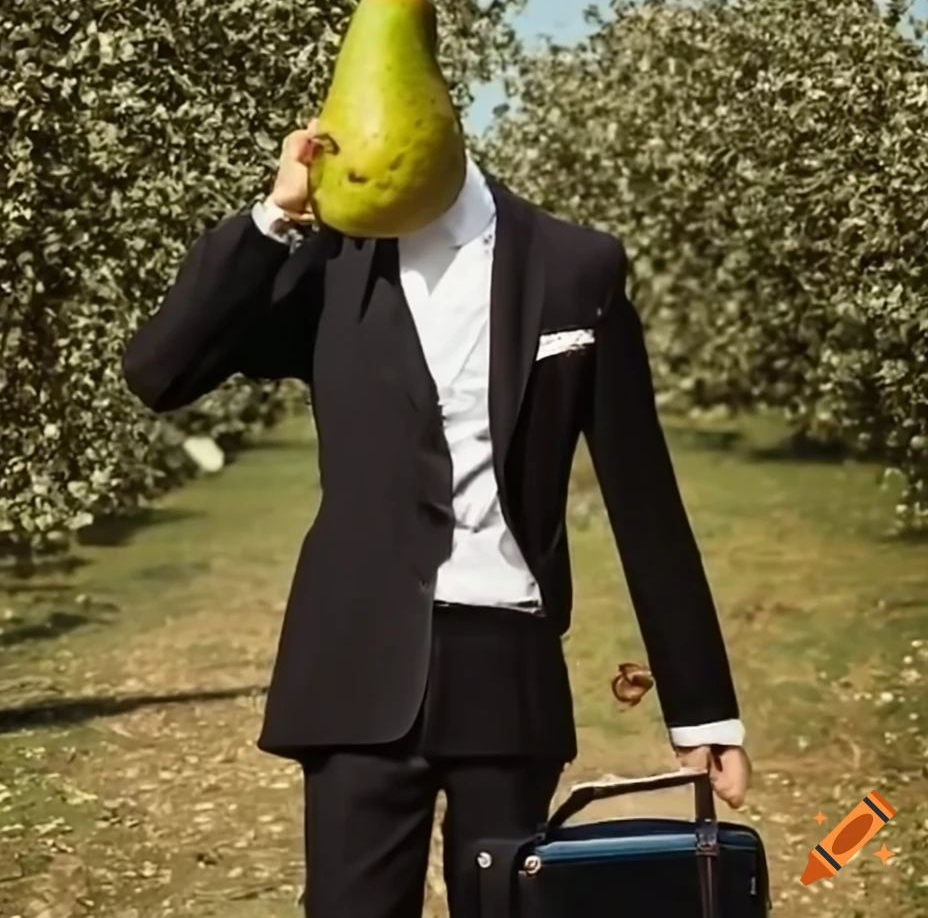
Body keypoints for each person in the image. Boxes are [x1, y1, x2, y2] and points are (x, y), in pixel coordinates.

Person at [122, 122, 752, 918]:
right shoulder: (329, 264)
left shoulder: (574, 265)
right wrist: (276, 217)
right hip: (353, 668)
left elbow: (645, 495)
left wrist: (702, 709)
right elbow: (159, 370)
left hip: (507, 670)